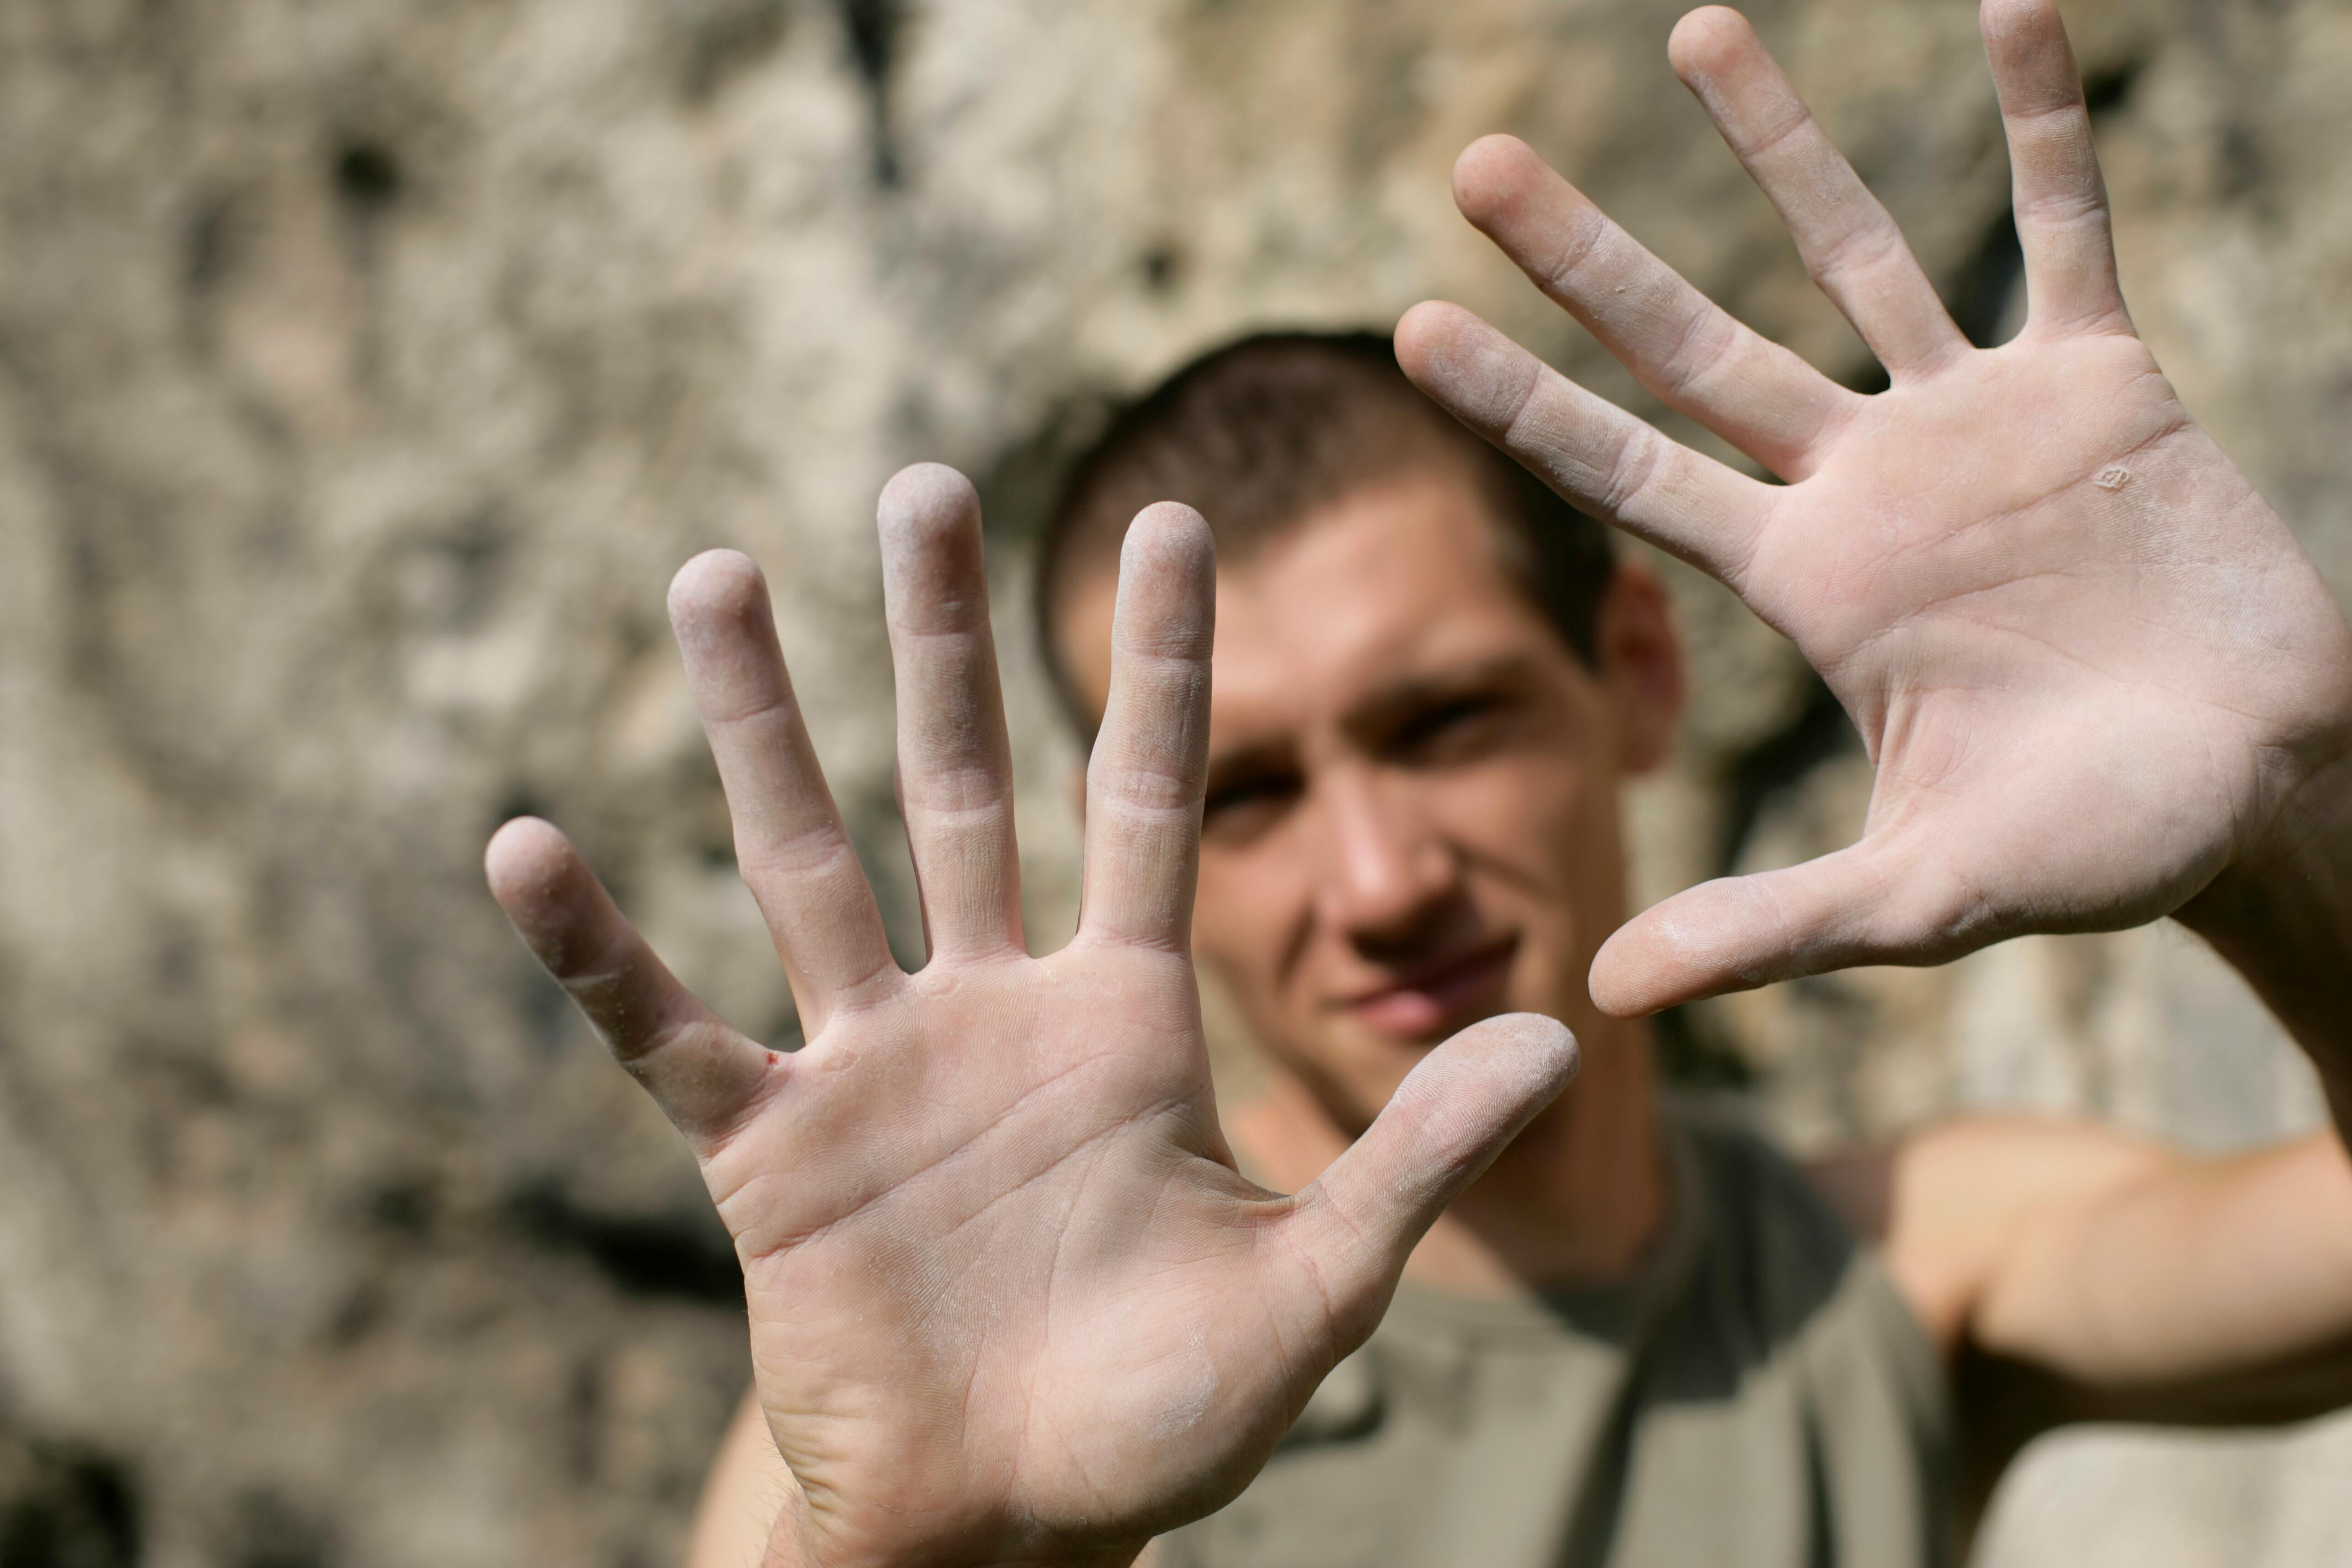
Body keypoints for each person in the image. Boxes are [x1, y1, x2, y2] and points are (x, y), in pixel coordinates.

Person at [484, 1, 2352, 1565]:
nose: (1379, 876)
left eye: (1445, 720)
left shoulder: (1896, 1262)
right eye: (1243, 794)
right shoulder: (992, 1360)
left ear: (1630, 675)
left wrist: (2284, 826)